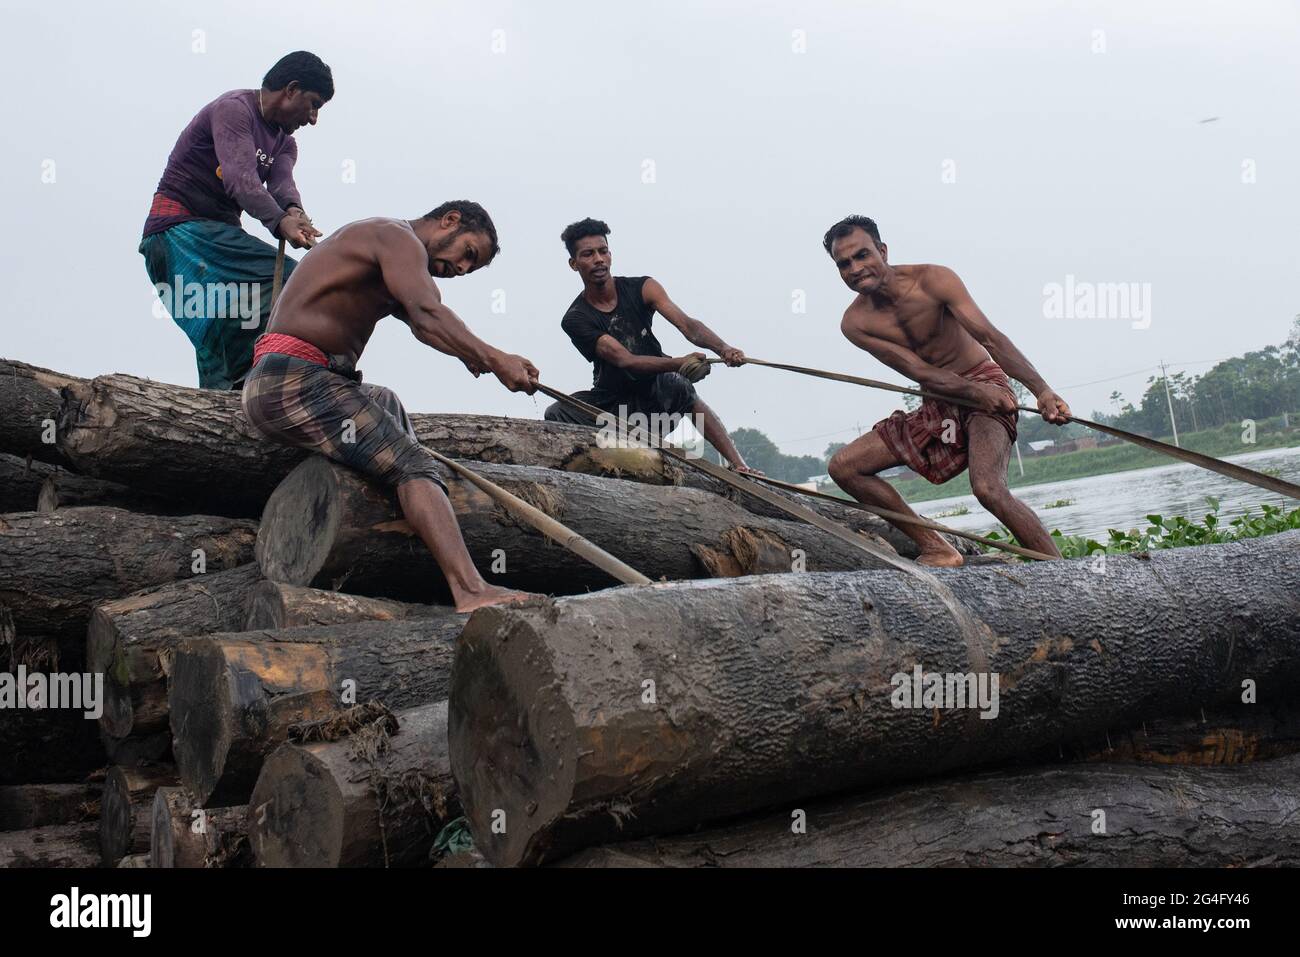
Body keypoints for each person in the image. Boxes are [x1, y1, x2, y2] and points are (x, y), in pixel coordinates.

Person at [241, 201, 541, 612]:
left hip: (294, 381)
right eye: (468, 254)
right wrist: (493, 357)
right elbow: (426, 313)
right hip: (292, 380)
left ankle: (420, 547)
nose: (462, 269)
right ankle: (471, 590)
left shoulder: (392, 253)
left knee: (386, 401)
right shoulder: (395, 237)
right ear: (449, 221)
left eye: (471, 269)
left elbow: (425, 323)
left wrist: (473, 354)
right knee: (414, 464)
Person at [822, 215, 1071, 566]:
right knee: (844, 467)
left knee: (988, 489)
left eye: (862, 255)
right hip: (939, 401)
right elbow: (919, 370)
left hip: (986, 384)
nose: (855, 268)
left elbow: (990, 338)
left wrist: (1041, 390)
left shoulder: (934, 279)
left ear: (882, 250)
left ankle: (1063, 573)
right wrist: (970, 393)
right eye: (844, 264)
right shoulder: (856, 323)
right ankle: (938, 547)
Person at [141, 51, 331, 389]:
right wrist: (279, 223)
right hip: (178, 233)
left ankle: (229, 402)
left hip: (215, 238)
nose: (314, 118)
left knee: (222, 321)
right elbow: (241, 180)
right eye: (313, 104)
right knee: (293, 279)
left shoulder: (285, 144)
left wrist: (295, 214)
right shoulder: (234, 110)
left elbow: (283, 185)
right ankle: (263, 376)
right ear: (291, 89)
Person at [543, 218, 759, 473]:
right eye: (588, 254)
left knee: (678, 384)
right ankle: (598, 464)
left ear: (610, 255)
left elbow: (688, 326)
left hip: (655, 393)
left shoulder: (643, 287)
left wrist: (723, 349)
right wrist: (680, 363)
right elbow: (625, 360)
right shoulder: (575, 318)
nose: (598, 259)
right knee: (556, 413)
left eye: (603, 251)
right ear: (574, 264)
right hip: (612, 403)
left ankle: (740, 466)